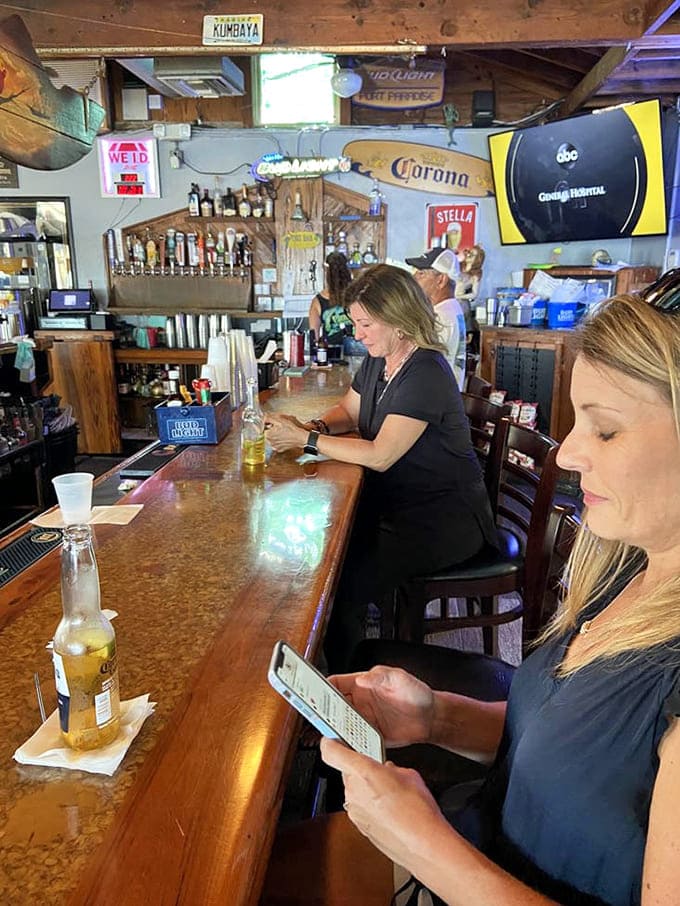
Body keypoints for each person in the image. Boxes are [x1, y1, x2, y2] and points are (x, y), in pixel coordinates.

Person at [315, 286, 680, 905]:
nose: (567, 452)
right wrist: (435, 717)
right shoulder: (625, 570)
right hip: (473, 832)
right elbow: (574, 754)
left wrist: (422, 845)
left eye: (607, 430)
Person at [266, 264, 497, 672]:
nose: (357, 333)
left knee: (342, 581)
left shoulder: (425, 370)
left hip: (442, 519)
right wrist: (313, 425)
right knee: (321, 553)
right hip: (395, 505)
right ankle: (325, 655)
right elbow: (348, 410)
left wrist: (307, 441)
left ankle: (343, 688)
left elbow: (380, 455)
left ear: (398, 320)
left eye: (365, 323)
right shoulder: (380, 358)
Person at [406, 247, 467, 390]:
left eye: (421, 274)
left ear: (441, 280)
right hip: (444, 394)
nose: (414, 278)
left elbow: (416, 366)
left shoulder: (440, 317)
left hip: (435, 400)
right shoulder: (451, 308)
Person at [307, 251, 365, 356]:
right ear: (347, 270)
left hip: (331, 355)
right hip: (359, 352)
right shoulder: (358, 295)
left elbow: (313, 338)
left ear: (326, 272)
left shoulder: (317, 301)